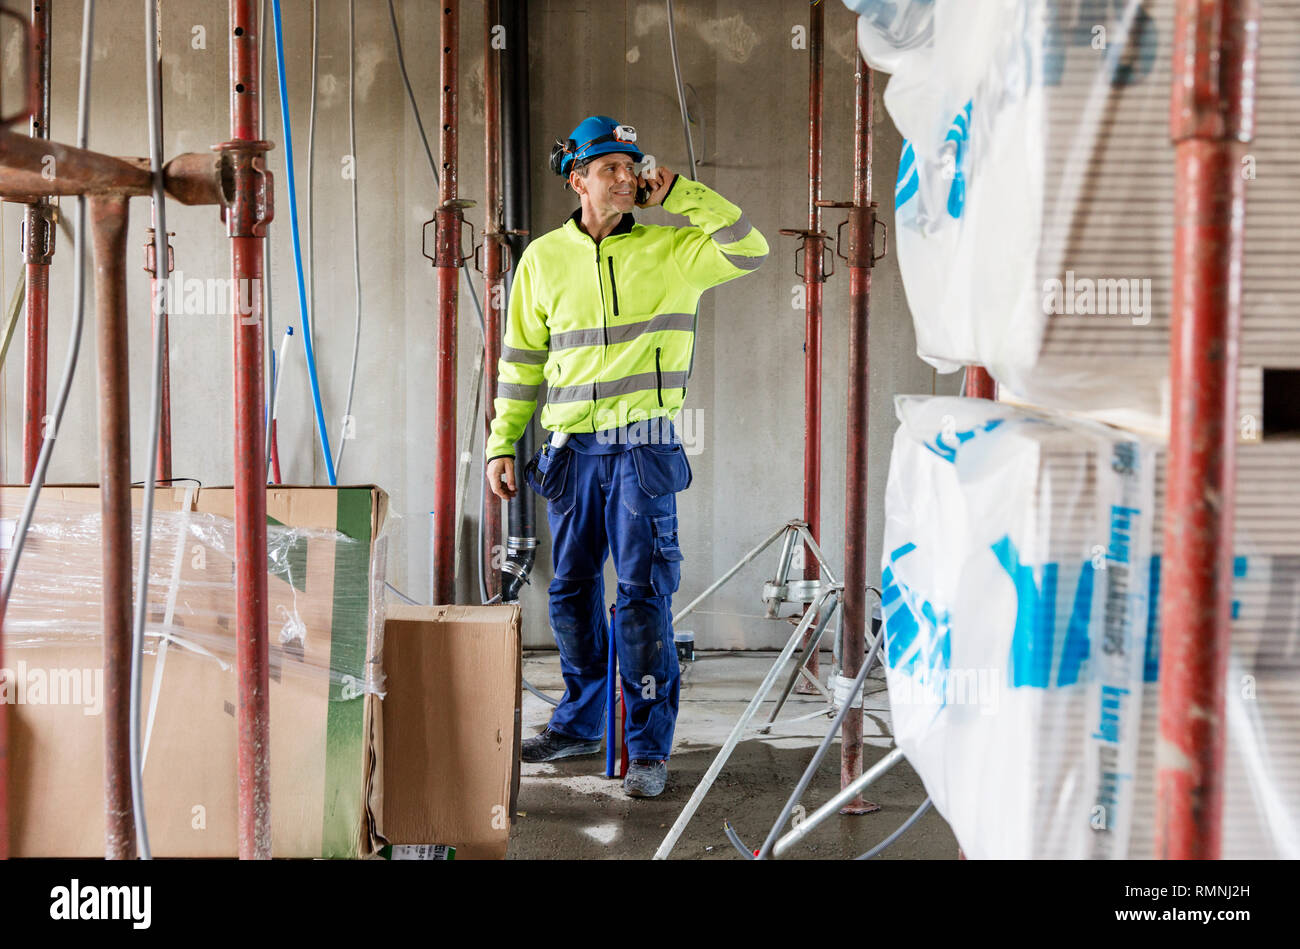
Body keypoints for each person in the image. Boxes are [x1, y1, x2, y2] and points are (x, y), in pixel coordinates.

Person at [485, 115, 768, 797]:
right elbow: (521, 362)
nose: (626, 175)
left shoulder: (675, 250)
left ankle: (647, 746)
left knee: (642, 598)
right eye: (610, 166)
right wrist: (502, 440)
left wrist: (685, 195)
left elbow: (750, 247)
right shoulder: (544, 260)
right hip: (571, 456)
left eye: (632, 164)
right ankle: (580, 721)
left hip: (643, 454)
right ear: (578, 178)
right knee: (572, 592)